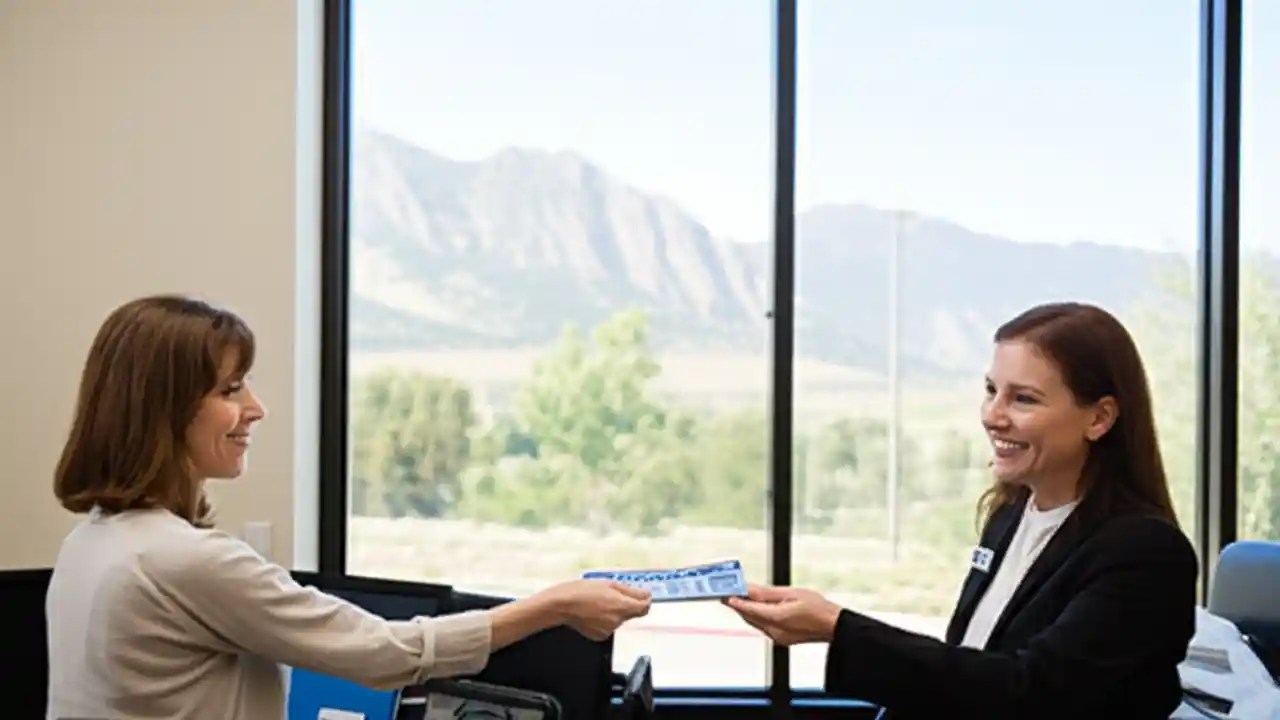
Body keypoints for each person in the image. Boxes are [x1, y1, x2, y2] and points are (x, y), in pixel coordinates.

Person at [45, 294, 651, 720]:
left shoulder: (94, 541)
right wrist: (555, 606)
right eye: (230, 389)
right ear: (163, 409)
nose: (255, 408)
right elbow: (386, 653)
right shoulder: (183, 560)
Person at [725, 302, 1198, 719]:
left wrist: (837, 628)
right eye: (991, 390)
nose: (993, 415)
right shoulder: (1009, 517)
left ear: (1099, 418)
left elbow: (1030, 695)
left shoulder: (1145, 552)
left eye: (1023, 398)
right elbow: (968, 666)